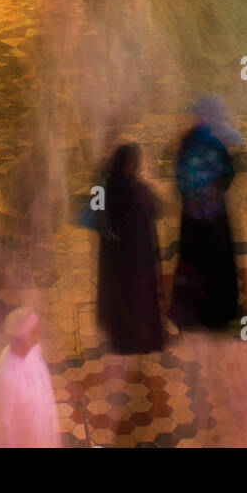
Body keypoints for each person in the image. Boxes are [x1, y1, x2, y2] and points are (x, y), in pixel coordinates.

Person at [169, 97, 240, 331]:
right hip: (215, 215)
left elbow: (180, 174)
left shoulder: (188, 140)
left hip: (191, 215)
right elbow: (227, 173)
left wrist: (190, 196)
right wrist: (213, 193)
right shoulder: (216, 142)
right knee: (217, 263)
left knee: (194, 260)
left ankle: (192, 312)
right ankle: (217, 314)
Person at [95, 144, 165, 355]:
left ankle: (127, 339)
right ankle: (134, 340)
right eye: (133, 162)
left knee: (127, 301)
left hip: (125, 258)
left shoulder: (108, 187)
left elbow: (99, 218)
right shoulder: (135, 190)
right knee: (135, 302)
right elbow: (157, 209)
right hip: (133, 259)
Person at [0, 308, 60, 447]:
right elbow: (2, 427)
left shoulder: (33, 351)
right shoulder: (5, 378)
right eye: (33, 334)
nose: (37, 339)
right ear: (20, 340)